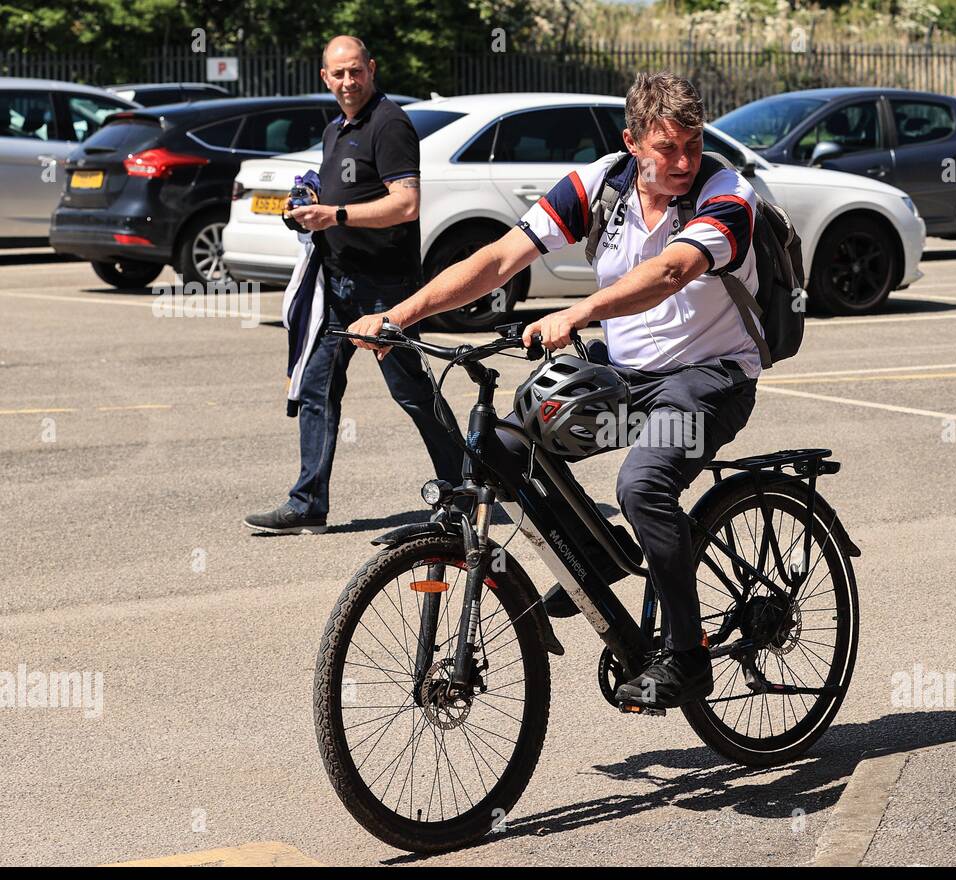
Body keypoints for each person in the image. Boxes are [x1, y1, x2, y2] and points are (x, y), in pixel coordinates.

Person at [347, 71, 760, 707]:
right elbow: (498, 259)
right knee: (509, 447)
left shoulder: (726, 192)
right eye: (666, 148)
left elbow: (673, 270)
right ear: (631, 141)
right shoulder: (601, 186)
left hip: (709, 379)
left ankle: (687, 655)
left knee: (644, 485)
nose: (683, 162)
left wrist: (577, 313)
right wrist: (402, 315)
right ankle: (600, 554)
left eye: (693, 145)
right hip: (628, 376)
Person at [244, 35, 461, 534]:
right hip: (338, 286)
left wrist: (336, 212)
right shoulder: (335, 130)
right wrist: (308, 209)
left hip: (386, 289)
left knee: (412, 393)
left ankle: (462, 489)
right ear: (325, 77)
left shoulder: (390, 124)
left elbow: (405, 204)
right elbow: (342, 192)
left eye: (355, 71)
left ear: (371, 68)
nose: (347, 81)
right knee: (318, 389)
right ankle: (308, 504)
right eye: (337, 73)